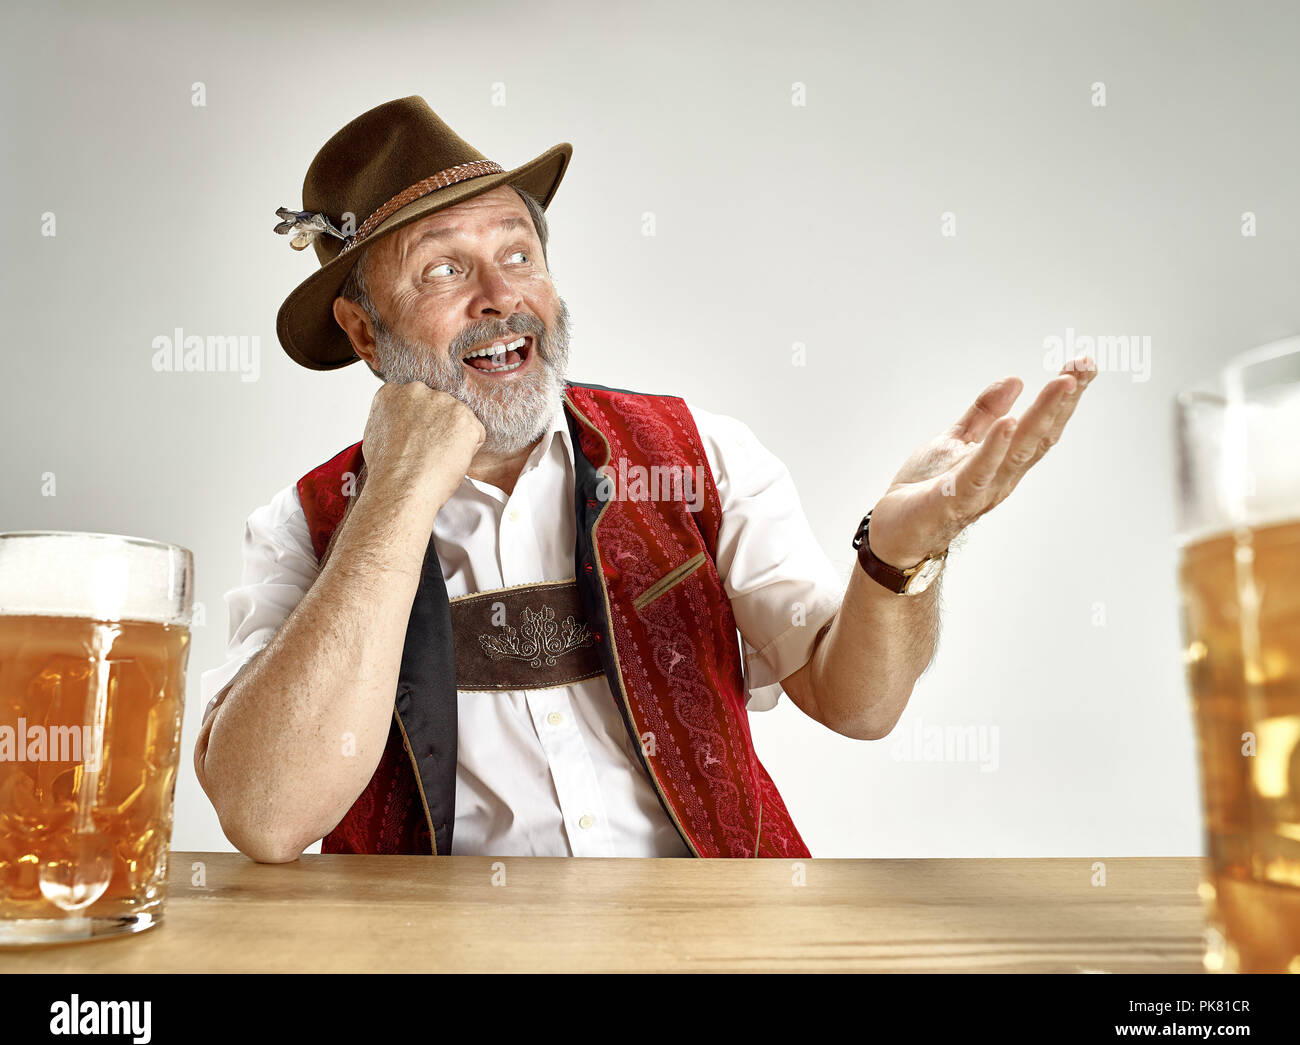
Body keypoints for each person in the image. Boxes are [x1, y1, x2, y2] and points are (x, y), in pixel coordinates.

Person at [195, 96, 1095, 862]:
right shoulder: (305, 526)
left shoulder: (695, 452)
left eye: (517, 254)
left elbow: (859, 705)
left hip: (719, 943)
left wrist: (901, 555)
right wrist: (394, 497)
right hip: (444, 955)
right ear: (361, 331)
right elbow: (268, 817)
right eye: (444, 269)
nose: (500, 297)